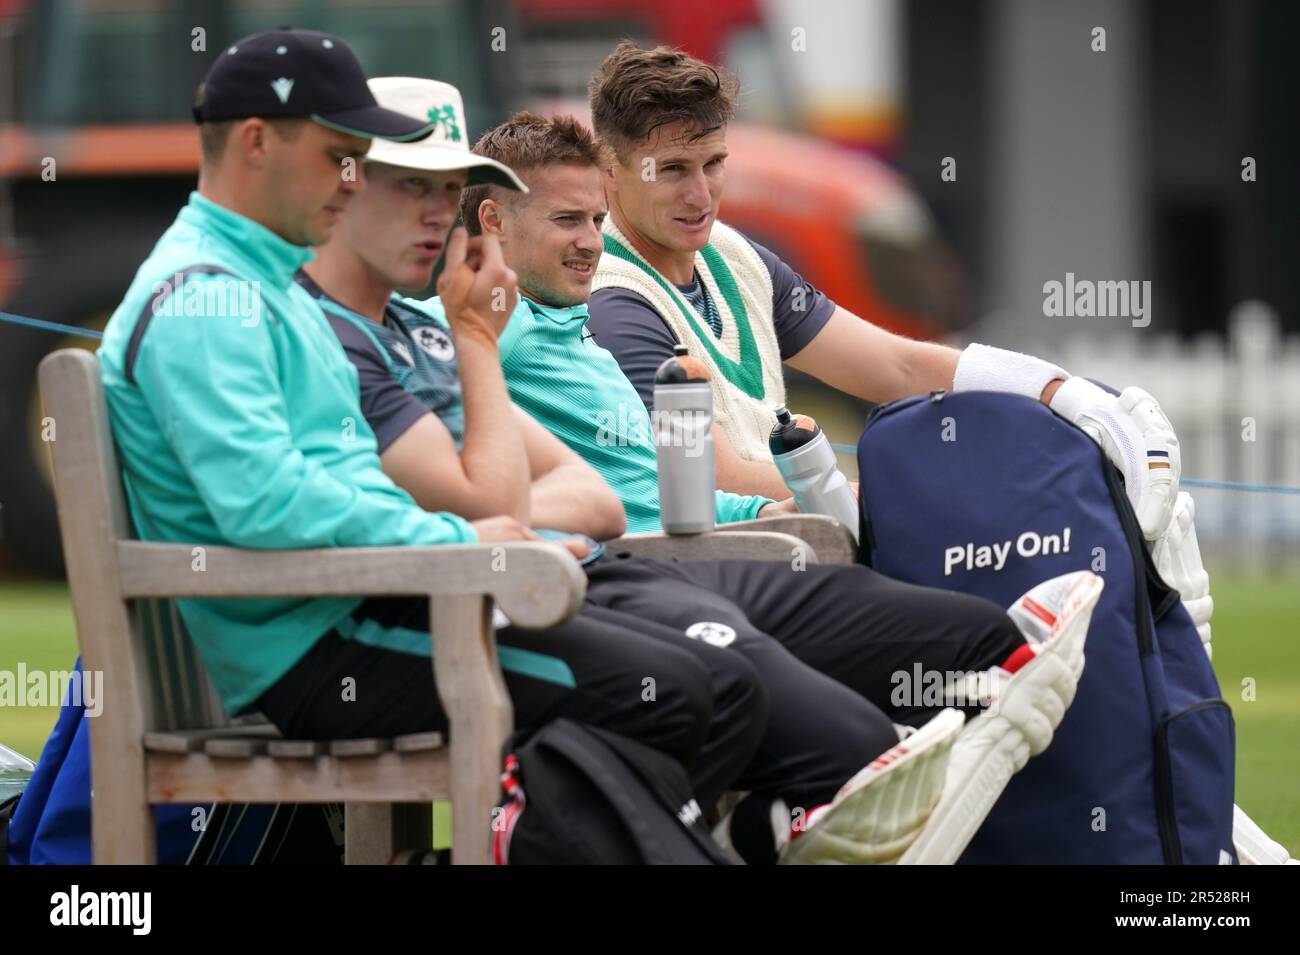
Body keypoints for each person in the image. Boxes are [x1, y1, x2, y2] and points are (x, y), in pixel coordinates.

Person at [95, 29, 759, 832]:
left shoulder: (261, 283)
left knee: (700, 674)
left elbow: (337, 485)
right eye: (341, 153)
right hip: (330, 640)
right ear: (257, 142)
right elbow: (266, 505)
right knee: (675, 687)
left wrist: (472, 539)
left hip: (387, 604)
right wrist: (465, 540)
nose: (353, 182)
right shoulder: (204, 296)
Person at [441, 110, 1103, 864]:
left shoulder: (581, 323)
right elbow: (532, 490)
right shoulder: (485, 328)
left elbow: (888, 367)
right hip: (641, 574)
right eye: (569, 219)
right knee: (932, 700)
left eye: (594, 219)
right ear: (493, 219)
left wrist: (767, 508)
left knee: (983, 654)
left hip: (700, 552)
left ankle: (773, 826)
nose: (592, 240)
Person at [583, 42, 1182, 547]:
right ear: (609, 168)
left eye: (713, 163)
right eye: (672, 170)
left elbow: (897, 365)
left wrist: (1062, 391)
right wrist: (931, 494)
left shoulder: (730, 254)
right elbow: (724, 477)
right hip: (741, 559)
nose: (700, 194)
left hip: (796, 539)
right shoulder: (613, 298)